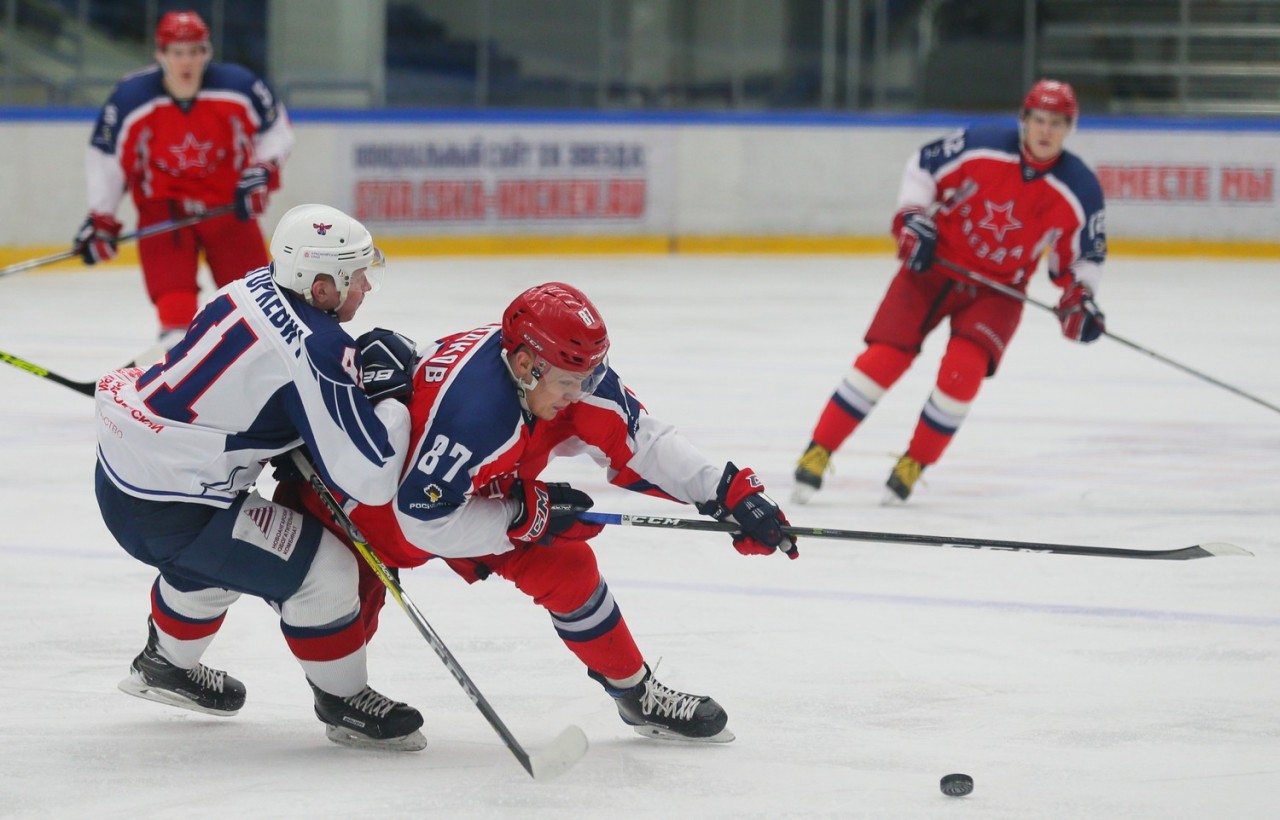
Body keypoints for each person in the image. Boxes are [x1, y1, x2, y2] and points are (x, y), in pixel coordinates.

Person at [276, 282, 798, 744]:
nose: (581, 395)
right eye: (571, 383)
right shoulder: (474, 412)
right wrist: (522, 516)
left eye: (590, 377)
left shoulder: (565, 371)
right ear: (526, 366)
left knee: (569, 569)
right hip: (384, 510)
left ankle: (637, 694)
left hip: (477, 490)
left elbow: (641, 440)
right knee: (333, 622)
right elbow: (421, 518)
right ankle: (332, 695)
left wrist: (728, 492)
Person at [94, 203, 428, 751]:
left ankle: (163, 665)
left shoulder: (249, 284)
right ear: (321, 287)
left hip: (127, 478)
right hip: (173, 509)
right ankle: (344, 702)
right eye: (356, 275)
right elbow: (370, 475)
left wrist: (284, 429)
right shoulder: (318, 347)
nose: (367, 285)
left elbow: (253, 385)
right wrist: (390, 396)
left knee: (221, 559)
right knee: (325, 569)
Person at [792, 79, 1107, 504]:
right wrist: (911, 218)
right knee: (883, 358)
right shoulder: (982, 144)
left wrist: (1080, 296)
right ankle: (818, 450)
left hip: (998, 292)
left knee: (962, 373)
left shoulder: (1080, 189)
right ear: (1024, 119)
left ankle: (913, 463)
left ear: (1070, 128)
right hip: (935, 266)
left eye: (1056, 123)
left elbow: (1082, 258)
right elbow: (923, 168)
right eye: (1038, 119)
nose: (1045, 131)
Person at [74, 9, 294, 350]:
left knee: (259, 306)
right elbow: (107, 158)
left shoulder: (240, 86)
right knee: (175, 310)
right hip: (165, 214)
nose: (186, 61)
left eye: (194, 51)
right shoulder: (131, 98)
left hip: (228, 209)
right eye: (177, 53)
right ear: (160, 54)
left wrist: (262, 170)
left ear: (207, 53)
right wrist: (101, 217)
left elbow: (276, 129)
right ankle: (177, 382)